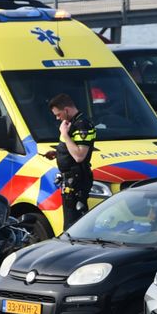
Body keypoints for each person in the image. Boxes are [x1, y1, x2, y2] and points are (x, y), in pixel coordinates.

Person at [44, 93, 97, 229]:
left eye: (58, 114)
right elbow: (72, 148)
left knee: (74, 224)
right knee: (69, 221)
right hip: (70, 179)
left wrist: (64, 135)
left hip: (78, 180)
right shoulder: (72, 123)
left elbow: (79, 156)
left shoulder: (82, 125)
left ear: (66, 110)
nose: (57, 118)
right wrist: (58, 153)